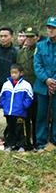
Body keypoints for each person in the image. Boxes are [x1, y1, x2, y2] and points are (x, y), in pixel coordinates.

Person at [0, 27, 18, 149]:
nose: (3, 38)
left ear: (11, 36)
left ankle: (10, 142)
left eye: (5, 36)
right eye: (1, 36)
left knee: (11, 118)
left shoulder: (16, 52)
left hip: (10, 90)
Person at [33, 16, 56, 150]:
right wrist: (47, 80)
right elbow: (37, 65)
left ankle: (54, 142)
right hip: (42, 87)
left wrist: (54, 81)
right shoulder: (40, 45)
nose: (50, 30)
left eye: (53, 28)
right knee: (41, 115)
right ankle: (41, 143)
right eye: (49, 27)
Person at [0, 64, 34, 151]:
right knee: (10, 129)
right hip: (9, 112)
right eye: (12, 73)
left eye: (15, 73)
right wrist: (4, 105)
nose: (13, 75)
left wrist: (24, 106)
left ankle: (21, 145)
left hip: (20, 112)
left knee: (20, 129)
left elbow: (29, 97)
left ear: (21, 73)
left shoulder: (26, 85)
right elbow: (2, 96)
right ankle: (10, 145)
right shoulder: (6, 84)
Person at [18, 29, 39, 149]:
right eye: (27, 37)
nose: (29, 39)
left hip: (36, 88)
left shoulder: (39, 50)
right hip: (24, 89)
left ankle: (36, 142)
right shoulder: (21, 52)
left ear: (37, 37)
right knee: (24, 117)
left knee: (36, 117)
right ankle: (25, 142)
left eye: (32, 37)